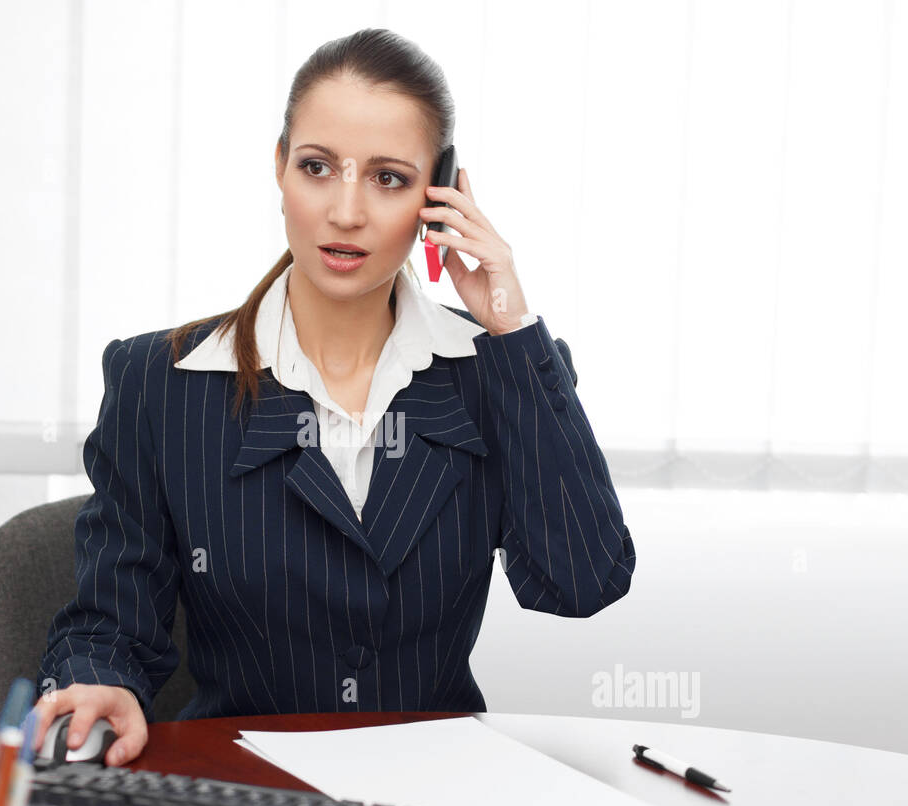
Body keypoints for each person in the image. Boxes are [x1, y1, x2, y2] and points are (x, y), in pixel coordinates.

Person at [33, 27, 636, 766]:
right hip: (240, 795)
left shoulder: (494, 372)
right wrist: (101, 682)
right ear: (279, 167)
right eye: (318, 167)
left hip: (443, 796)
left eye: (388, 178)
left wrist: (510, 323)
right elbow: (109, 623)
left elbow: (581, 581)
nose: (346, 212)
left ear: (437, 196)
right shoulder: (158, 382)